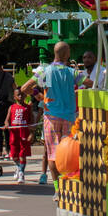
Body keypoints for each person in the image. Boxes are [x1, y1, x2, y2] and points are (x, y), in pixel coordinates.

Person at [22, 42, 84, 188]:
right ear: (67, 54)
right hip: (69, 117)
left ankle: (57, 188)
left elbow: (25, 88)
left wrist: (37, 94)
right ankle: (68, 185)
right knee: (70, 153)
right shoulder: (72, 72)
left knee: (52, 153)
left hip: (51, 116)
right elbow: (90, 83)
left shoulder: (45, 71)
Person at [6, 86, 33, 183]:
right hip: (14, 134)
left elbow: (32, 122)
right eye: (18, 95)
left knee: (22, 154)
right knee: (14, 155)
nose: (21, 96)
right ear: (14, 97)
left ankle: (21, 172)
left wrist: (31, 133)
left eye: (22, 94)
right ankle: (18, 166)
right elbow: (7, 120)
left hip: (24, 133)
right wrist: (6, 125)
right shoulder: (12, 107)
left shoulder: (28, 107)